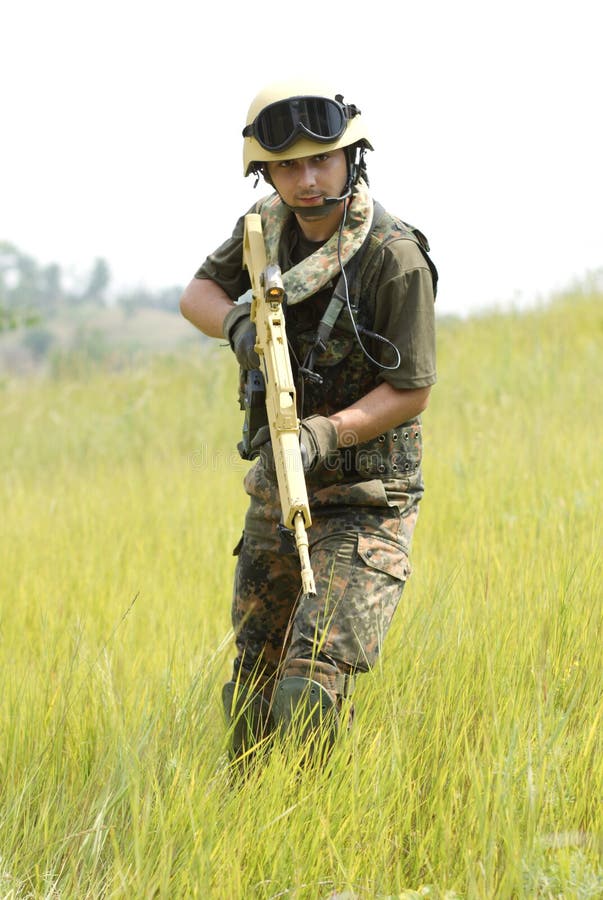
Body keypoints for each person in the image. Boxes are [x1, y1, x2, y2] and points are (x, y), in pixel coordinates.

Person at [180, 80, 438, 761]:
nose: (307, 178)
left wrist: (327, 432)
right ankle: (246, 829)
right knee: (253, 685)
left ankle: (317, 836)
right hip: (280, 482)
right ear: (263, 172)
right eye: (287, 166)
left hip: (366, 495)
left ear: (351, 158)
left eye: (321, 159)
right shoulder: (262, 233)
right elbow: (197, 294)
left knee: (309, 685)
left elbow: (411, 389)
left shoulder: (392, 255)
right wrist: (237, 323)